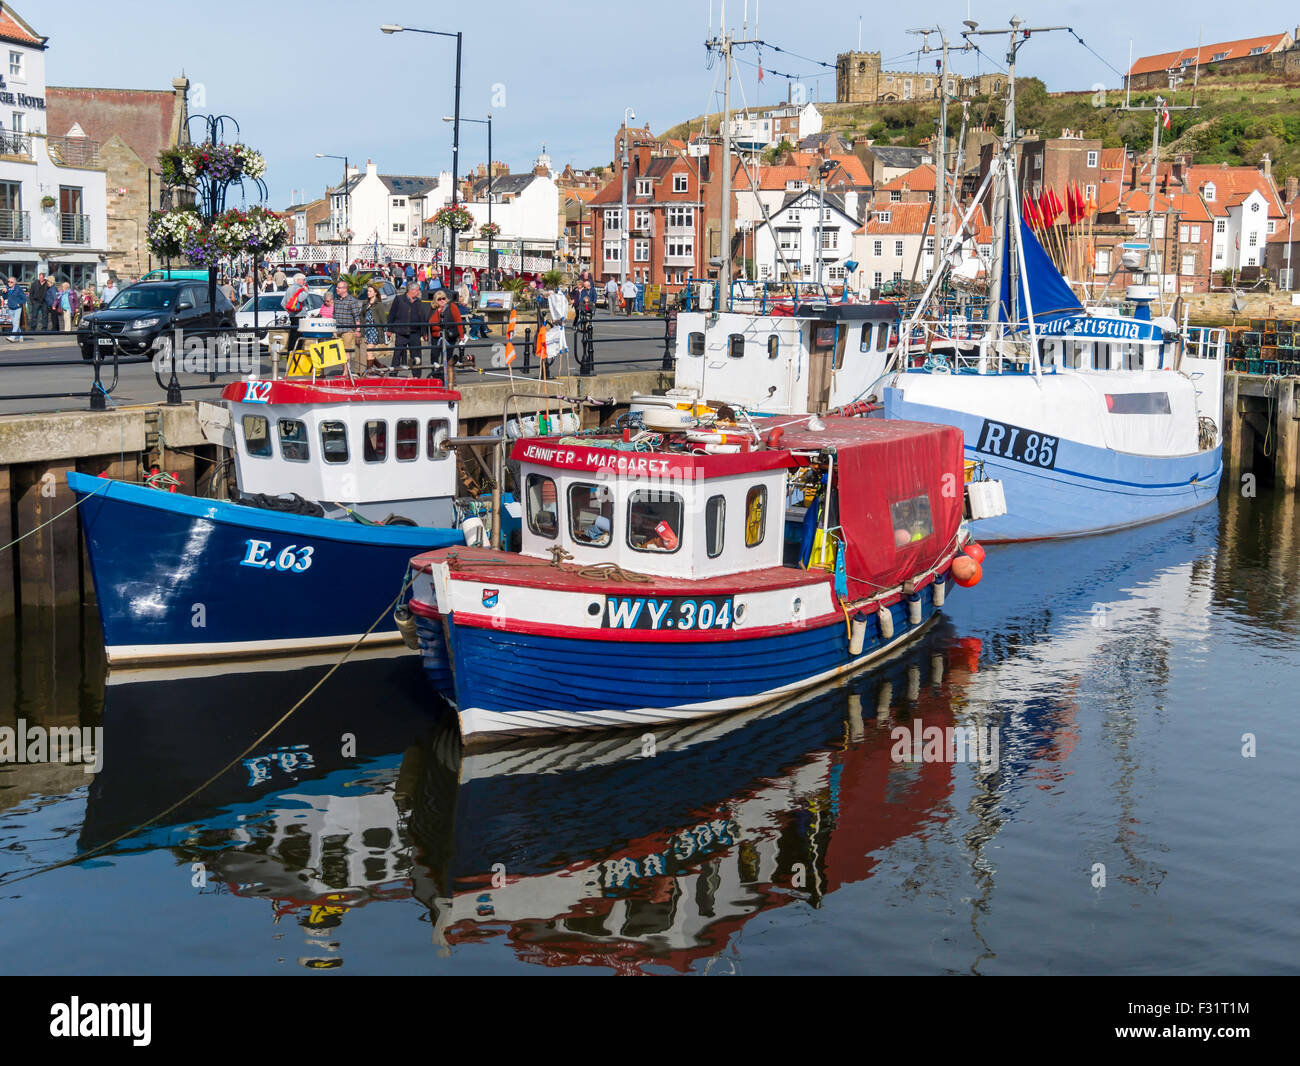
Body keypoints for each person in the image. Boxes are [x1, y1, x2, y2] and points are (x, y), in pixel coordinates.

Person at [388, 281, 430, 376]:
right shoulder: (399, 299)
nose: (419, 292)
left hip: (415, 333)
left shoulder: (419, 302)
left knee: (416, 355)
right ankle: (393, 374)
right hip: (402, 331)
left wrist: (424, 332)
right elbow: (392, 314)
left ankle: (416, 376)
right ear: (412, 290)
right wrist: (389, 329)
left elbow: (423, 318)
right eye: (418, 290)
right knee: (397, 354)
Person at [429, 289, 466, 371]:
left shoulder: (452, 306)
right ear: (435, 301)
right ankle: (435, 373)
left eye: (443, 298)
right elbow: (431, 322)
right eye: (439, 299)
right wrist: (438, 311)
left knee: (447, 356)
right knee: (434, 356)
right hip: (436, 336)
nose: (442, 301)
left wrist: (461, 335)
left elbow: (458, 321)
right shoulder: (433, 309)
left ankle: (445, 374)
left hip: (449, 335)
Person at [332, 280, 363, 373]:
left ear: (345, 289)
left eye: (339, 288)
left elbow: (357, 316)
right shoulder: (336, 300)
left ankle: (346, 371)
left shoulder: (352, 301)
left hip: (347, 330)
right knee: (339, 352)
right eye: (337, 287)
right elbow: (334, 314)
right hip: (337, 329)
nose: (337, 289)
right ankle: (345, 369)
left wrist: (358, 330)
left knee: (346, 351)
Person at [358, 283, 388, 370]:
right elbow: (361, 315)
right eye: (368, 291)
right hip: (366, 328)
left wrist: (386, 331)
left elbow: (383, 318)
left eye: (370, 291)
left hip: (374, 329)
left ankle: (369, 370)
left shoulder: (379, 304)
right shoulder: (365, 303)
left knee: (369, 350)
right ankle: (380, 366)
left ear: (375, 293)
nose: (368, 293)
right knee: (368, 352)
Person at [282, 273, 312, 352]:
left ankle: (290, 353)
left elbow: (283, 303)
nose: (304, 281)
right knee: (298, 336)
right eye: (303, 279)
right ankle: (297, 353)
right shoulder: (297, 288)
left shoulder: (289, 288)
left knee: (292, 335)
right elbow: (300, 299)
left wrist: (290, 310)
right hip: (299, 315)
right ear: (298, 280)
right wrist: (306, 292)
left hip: (292, 315)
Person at [4, 277, 26, 342]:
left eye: (11, 282)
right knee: (14, 323)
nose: (9, 283)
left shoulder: (18, 289)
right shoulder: (8, 288)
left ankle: (12, 337)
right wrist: (4, 292)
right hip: (10, 308)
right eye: (8, 281)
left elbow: (24, 298)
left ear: (15, 283)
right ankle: (20, 336)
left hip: (17, 308)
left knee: (16, 322)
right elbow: (5, 297)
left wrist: (18, 304)